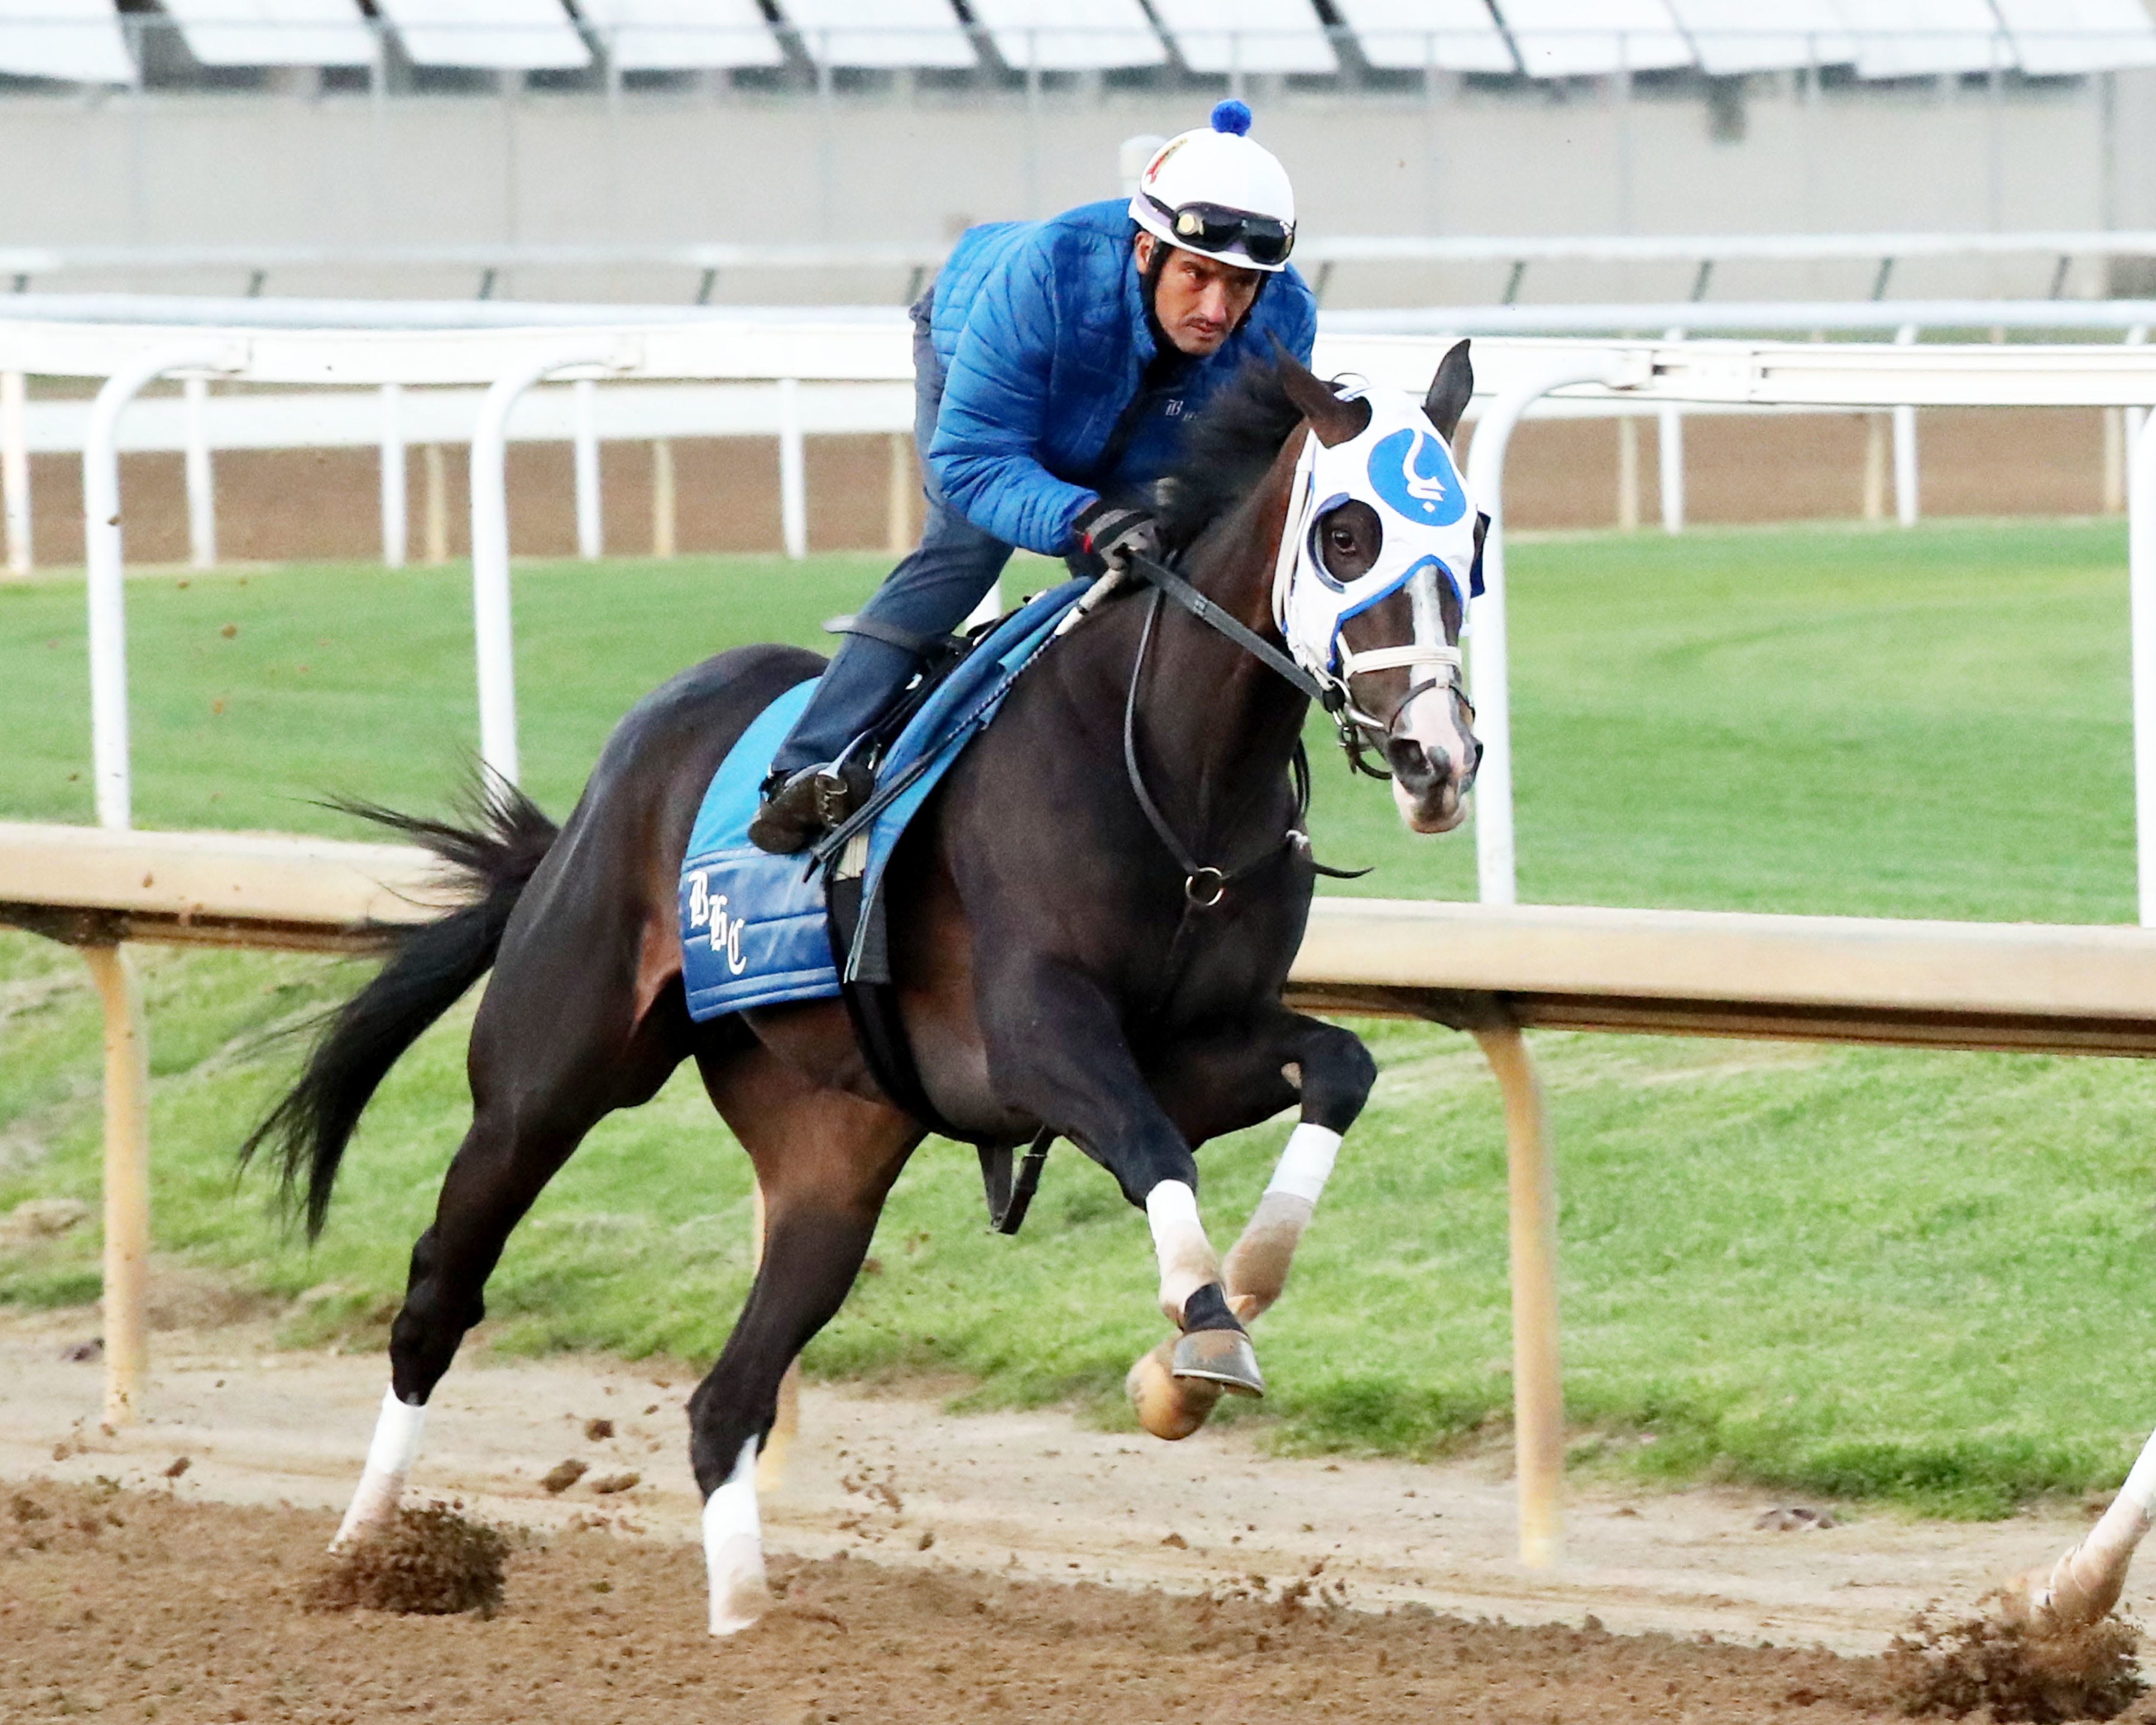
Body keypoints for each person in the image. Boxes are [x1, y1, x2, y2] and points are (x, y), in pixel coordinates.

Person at [747, 99, 1319, 855]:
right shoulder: (1045, 273)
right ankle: (803, 767)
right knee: (964, 550)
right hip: (983, 369)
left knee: (1148, 573)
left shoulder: (1286, 318)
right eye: (1197, 275)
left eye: (1242, 286)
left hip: (1134, 399)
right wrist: (1083, 516)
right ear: (1146, 250)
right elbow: (973, 459)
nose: (1217, 310)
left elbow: (1245, 491)